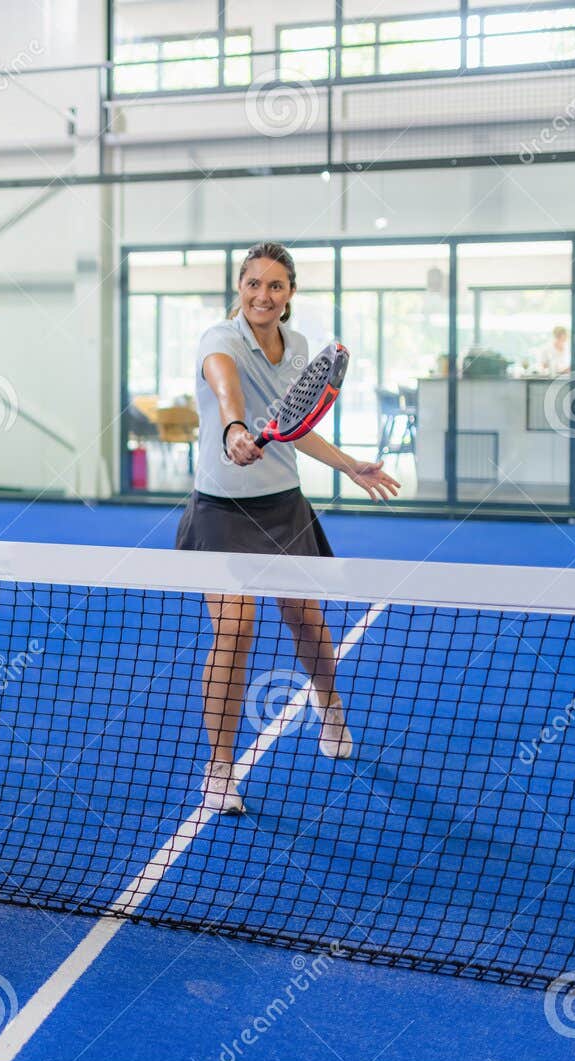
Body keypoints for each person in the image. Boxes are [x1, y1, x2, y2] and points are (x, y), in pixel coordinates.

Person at [176, 242, 399, 815]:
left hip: (283, 506)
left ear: (290, 294)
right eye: (253, 284)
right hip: (222, 511)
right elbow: (225, 388)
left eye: (275, 286)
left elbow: (293, 423)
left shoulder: (296, 347)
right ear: (240, 287)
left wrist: (350, 465)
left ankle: (329, 705)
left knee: (304, 616)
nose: (263, 296)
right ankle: (220, 768)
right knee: (236, 628)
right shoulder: (219, 340)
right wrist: (232, 431)